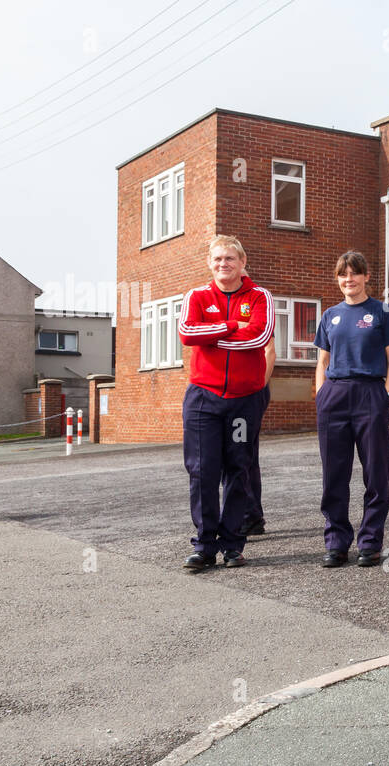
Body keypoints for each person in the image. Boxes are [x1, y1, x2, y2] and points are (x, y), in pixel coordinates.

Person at [177, 235, 273, 571]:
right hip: (204, 398)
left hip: (244, 401)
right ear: (209, 263)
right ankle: (204, 546)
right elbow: (188, 333)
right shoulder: (198, 296)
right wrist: (232, 326)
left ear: (242, 262)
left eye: (230, 258)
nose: (223, 264)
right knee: (202, 471)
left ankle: (233, 545)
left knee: (238, 469)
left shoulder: (260, 296)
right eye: (217, 259)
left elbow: (259, 337)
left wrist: (212, 337)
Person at [315, 251, 389, 568]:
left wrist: (386, 395)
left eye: (354, 273)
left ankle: (370, 542)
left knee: (376, 473)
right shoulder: (329, 316)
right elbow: (322, 361)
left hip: (369, 394)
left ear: (366, 277)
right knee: (333, 476)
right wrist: (321, 394)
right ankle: (336, 543)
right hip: (334, 396)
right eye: (342, 274)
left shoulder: (382, 311)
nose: (348, 279)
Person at [236, 337, 275, 537]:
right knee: (239, 454)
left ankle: (249, 516)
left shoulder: (256, 311)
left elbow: (269, 351)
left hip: (249, 392)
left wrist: (258, 386)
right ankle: (250, 515)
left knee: (243, 453)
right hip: (230, 393)